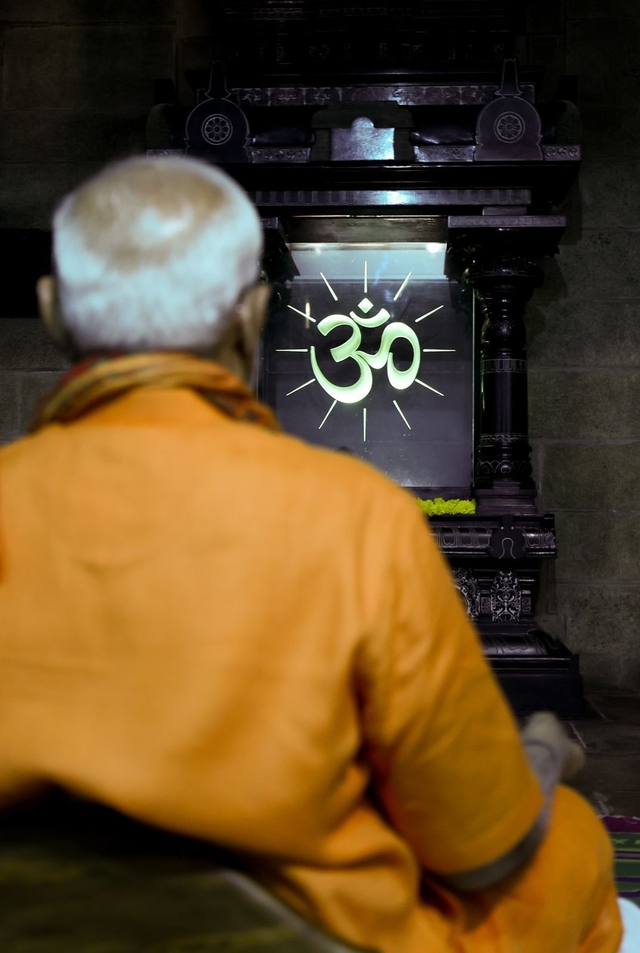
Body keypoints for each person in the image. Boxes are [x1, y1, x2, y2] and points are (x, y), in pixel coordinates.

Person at [0, 156, 625, 953]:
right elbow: (480, 846)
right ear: (252, 314)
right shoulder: (355, 514)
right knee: (567, 840)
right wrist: (535, 758)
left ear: (52, 309)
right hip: (313, 930)